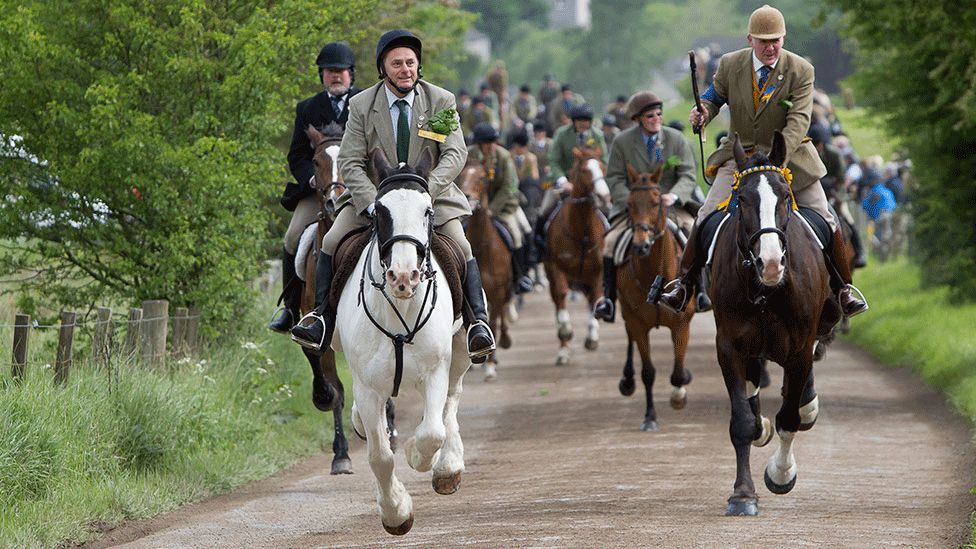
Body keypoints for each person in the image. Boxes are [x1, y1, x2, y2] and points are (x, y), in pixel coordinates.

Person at [291, 29, 495, 363]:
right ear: (383, 68)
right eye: (397, 63)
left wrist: (425, 191)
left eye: (410, 63)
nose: (405, 69)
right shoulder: (361, 105)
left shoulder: (440, 101)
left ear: (418, 65)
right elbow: (351, 161)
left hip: (431, 195)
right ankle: (322, 318)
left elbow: (454, 154)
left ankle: (476, 324)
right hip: (374, 197)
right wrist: (371, 201)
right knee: (330, 242)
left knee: (462, 244)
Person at [658, 4, 867, 317]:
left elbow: (798, 119)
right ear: (750, 39)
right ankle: (683, 283)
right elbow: (713, 98)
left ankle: (843, 288)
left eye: (776, 40)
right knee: (704, 215)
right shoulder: (730, 64)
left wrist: (779, 156)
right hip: (739, 156)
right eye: (763, 40)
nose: (770, 47)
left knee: (828, 217)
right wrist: (702, 111)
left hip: (790, 158)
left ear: (783, 38)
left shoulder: (801, 70)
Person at [270, 41, 360, 333]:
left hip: (358, 189)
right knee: (293, 237)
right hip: (317, 190)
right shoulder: (307, 108)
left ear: (351, 74)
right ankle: (290, 308)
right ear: (322, 75)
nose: (336, 76)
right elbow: (296, 154)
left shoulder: (366, 103)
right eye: (330, 72)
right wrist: (312, 178)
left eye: (341, 72)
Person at [593, 91, 698, 322]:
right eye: (650, 115)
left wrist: (675, 196)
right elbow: (614, 178)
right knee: (610, 243)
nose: (656, 118)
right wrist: (631, 200)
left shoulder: (674, 139)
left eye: (659, 114)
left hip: (670, 204)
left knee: (694, 234)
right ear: (638, 118)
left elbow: (688, 175)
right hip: (636, 208)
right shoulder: (622, 142)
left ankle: (701, 292)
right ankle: (609, 300)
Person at [462, 123, 534, 294]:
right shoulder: (469, 155)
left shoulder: (503, 157)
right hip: (472, 206)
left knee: (520, 233)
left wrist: (491, 210)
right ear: (479, 144)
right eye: (488, 143)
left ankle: (521, 275)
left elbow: (509, 187)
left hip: (504, 207)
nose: (492, 146)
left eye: (494, 142)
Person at [534, 103, 608, 253]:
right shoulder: (562, 134)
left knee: (608, 210)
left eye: (586, 121)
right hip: (565, 182)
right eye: (579, 121)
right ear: (574, 121)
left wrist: (596, 179)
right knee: (544, 211)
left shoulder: (597, 135)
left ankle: (608, 252)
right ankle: (539, 249)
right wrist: (563, 180)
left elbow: (604, 160)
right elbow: (553, 160)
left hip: (590, 183)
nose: (583, 124)